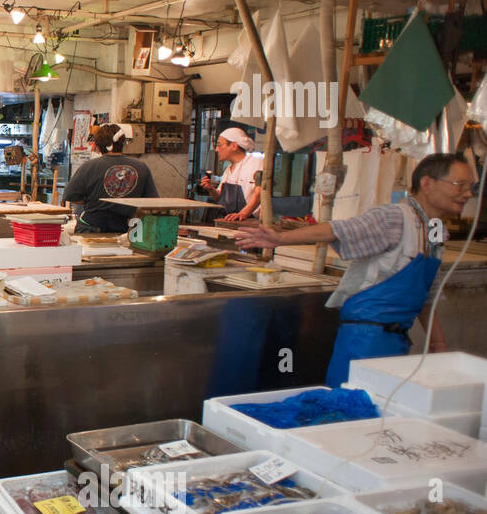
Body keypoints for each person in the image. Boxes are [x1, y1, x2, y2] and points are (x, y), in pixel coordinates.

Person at [236, 152, 472, 387]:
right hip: (365, 339)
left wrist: (438, 343)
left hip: (398, 340)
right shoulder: (394, 218)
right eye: (460, 185)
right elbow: (338, 229)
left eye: (471, 187)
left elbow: (426, 293)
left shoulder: (436, 232)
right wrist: (280, 239)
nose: (468, 194)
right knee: (351, 402)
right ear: (427, 183)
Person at [63, 123, 158, 233]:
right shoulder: (141, 167)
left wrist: (93, 202)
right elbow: (153, 204)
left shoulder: (89, 166)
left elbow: (71, 195)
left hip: (91, 228)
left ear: (98, 145)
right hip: (124, 229)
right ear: (123, 142)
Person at [201, 127, 262, 220]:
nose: (216, 149)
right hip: (231, 218)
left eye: (219, 145)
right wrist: (211, 189)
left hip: (250, 220)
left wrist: (243, 214)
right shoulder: (228, 169)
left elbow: (259, 193)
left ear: (234, 146)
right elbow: (219, 198)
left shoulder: (256, 163)